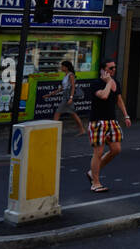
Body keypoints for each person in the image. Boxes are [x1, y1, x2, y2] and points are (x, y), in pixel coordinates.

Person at [87, 59, 130, 192]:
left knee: (116, 149)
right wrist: (108, 82)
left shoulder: (115, 82)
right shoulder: (95, 84)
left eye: (114, 68)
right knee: (98, 152)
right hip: (97, 121)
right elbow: (104, 96)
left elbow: (119, 99)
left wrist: (126, 115)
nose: (113, 70)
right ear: (103, 70)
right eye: (110, 68)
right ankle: (95, 182)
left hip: (112, 121)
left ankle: (92, 172)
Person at [53, 59, 86, 136]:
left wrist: (71, 98)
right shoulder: (66, 75)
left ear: (66, 67)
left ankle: (54, 131)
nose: (61, 68)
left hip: (68, 96)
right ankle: (82, 129)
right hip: (65, 95)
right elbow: (62, 88)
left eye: (62, 66)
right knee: (73, 114)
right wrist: (51, 94)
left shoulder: (71, 75)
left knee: (57, 113)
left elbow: (73, 87)